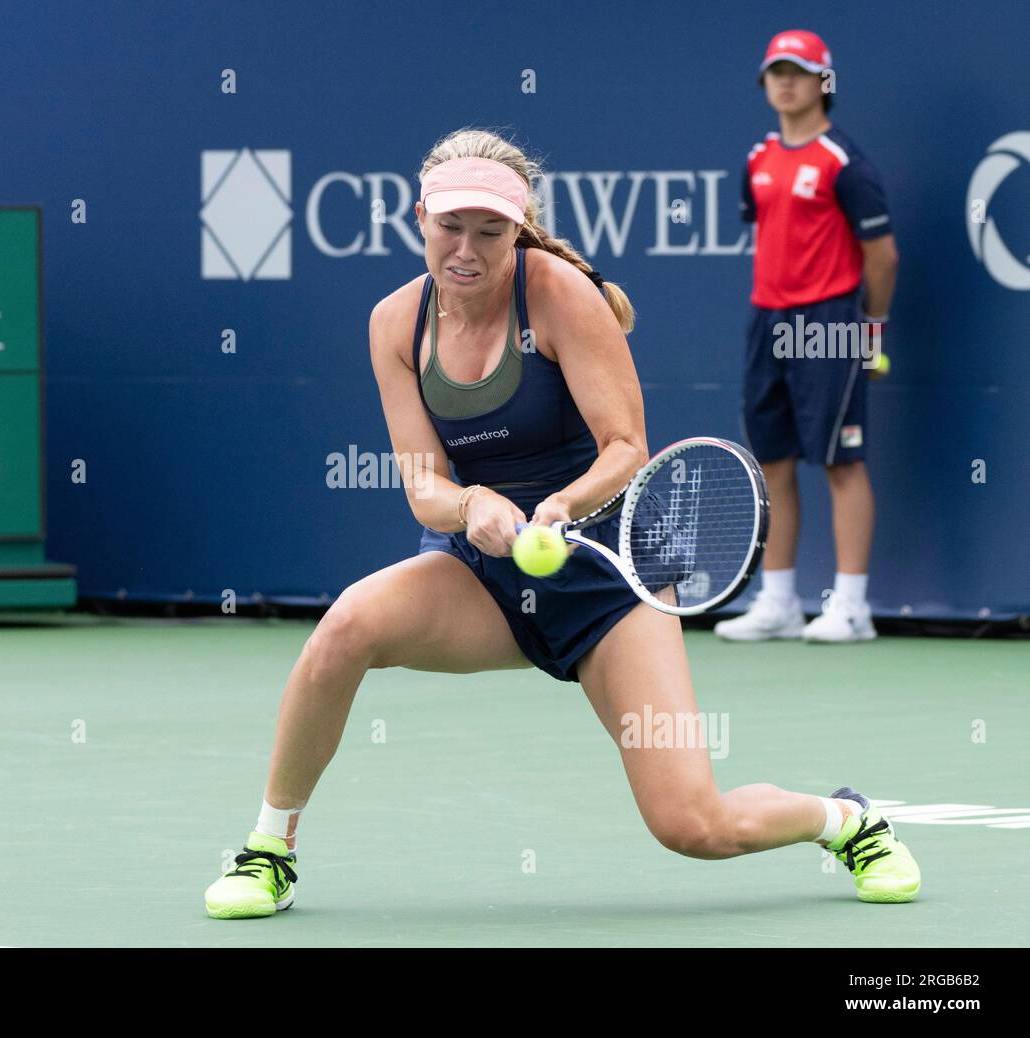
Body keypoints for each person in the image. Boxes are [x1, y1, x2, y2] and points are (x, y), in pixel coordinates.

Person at [203, 128, 919, 920]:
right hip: (482, 575)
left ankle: (848, 819)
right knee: (343, 629)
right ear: (418, 220)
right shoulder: (392, 325)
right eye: (450, 226)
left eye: (490, 229)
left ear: (519, 228)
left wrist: (561, 505)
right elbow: (423, 486)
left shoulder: (559, 296)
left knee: (692, 825)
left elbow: (626, 448)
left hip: (610, 580)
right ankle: (270, 849)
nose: (466, 249)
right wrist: (473, 504)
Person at [716, 30, 898, 643]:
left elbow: (884, 257)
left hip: (831, 323)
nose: (785, 81)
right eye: (775, 72)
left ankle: (851, 606)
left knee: (841, 460)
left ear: (824, 82)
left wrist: (870, 332)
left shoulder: (843, 163)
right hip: (765, 319)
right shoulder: (758, 160)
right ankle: (781, 600)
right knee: (773, 460)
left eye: (799, 71)